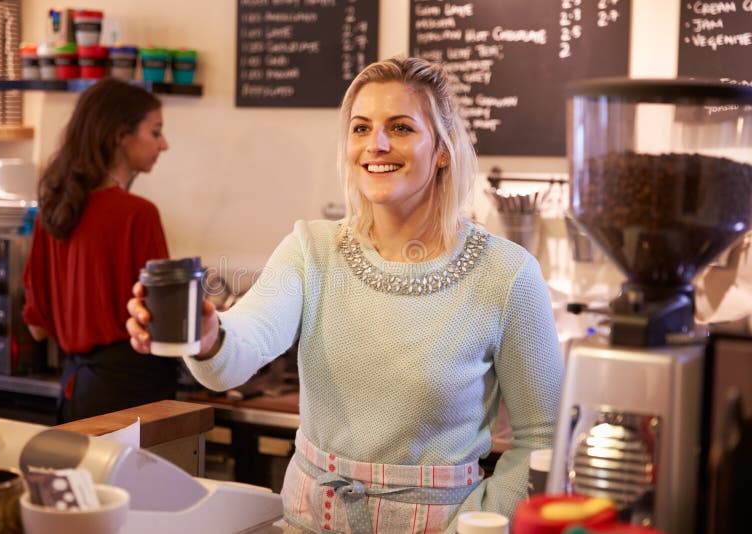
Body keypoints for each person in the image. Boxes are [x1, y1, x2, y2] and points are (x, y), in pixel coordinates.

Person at [128, 56, 564, 532]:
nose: (375, 144)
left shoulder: (506, 274)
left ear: (443, 149)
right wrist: (207, 335)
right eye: (361, 128)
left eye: (400, 128)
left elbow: (541, 439)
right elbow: (239, 349)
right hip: (312, 521)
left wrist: (485, 523)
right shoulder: (311, 249)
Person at [23, 78, 177, 423]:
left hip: (76, 391)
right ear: (121, 135)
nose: (164, 144)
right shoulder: (138, 213)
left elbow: (36, 325)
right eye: (155, 132)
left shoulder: (54, 209)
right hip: (134, 396)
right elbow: (164, 321)